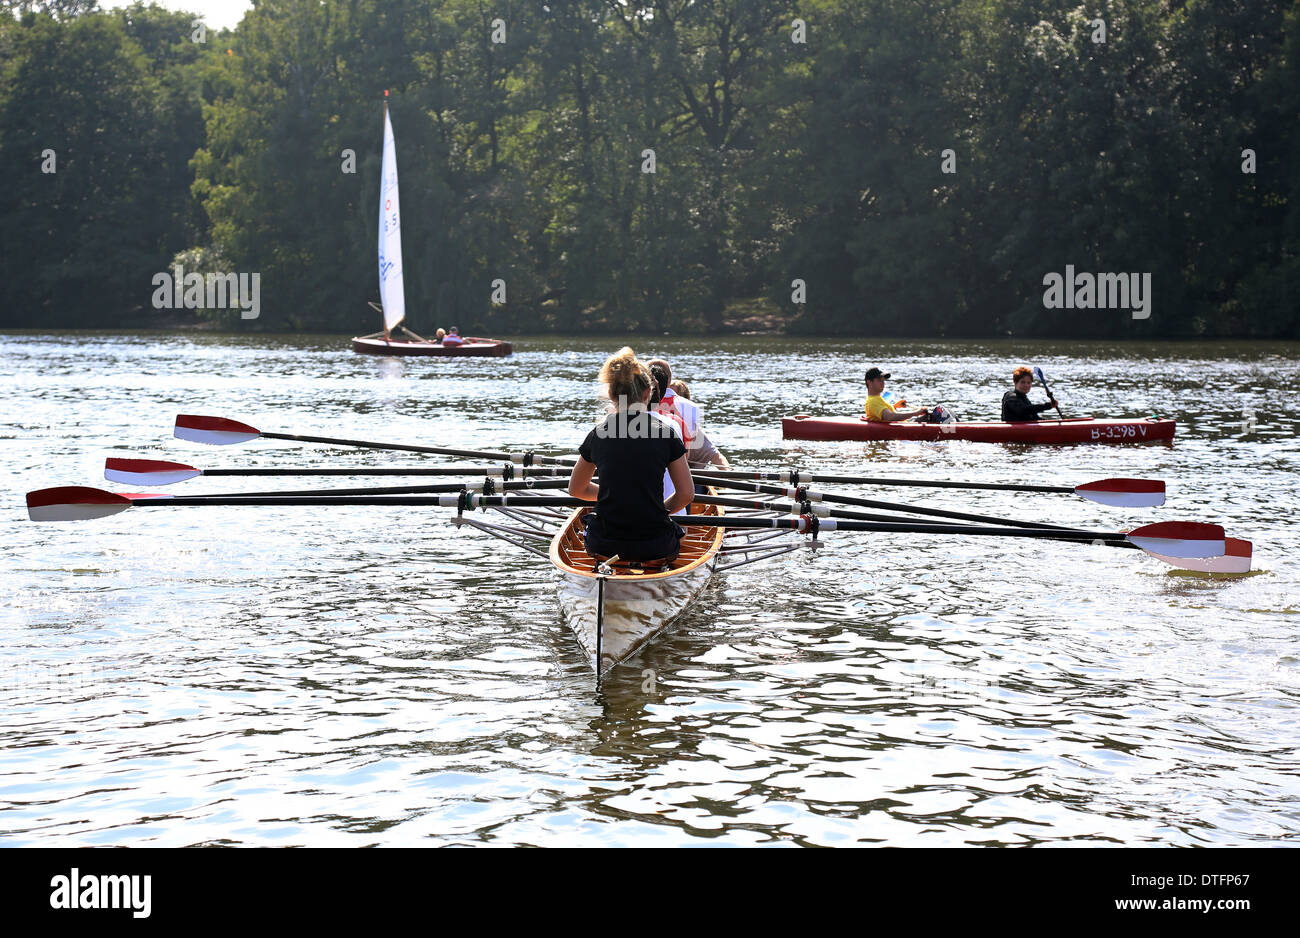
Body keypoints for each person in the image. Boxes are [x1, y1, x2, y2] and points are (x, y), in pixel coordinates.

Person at [568, 348, 694, 562]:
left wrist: (615, 497)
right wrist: (657, 508)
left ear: (611, 395)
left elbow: (576, 489)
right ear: (648, 393)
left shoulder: (598, 433)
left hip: (605, 544)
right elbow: (686, 495)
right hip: (656, 543)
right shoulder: (666, 433)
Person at [863, 367, 930, 423]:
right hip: (902, 431)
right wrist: (916, 413)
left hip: (904, 425)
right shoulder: (873, 401)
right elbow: (890, 416)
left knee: (930, 415)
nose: (883, 383)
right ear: (869, 382)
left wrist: (895, 406)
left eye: (883, 380)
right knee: (931, 416)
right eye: (879, 380)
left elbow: (882, 412)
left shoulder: (876, 399)